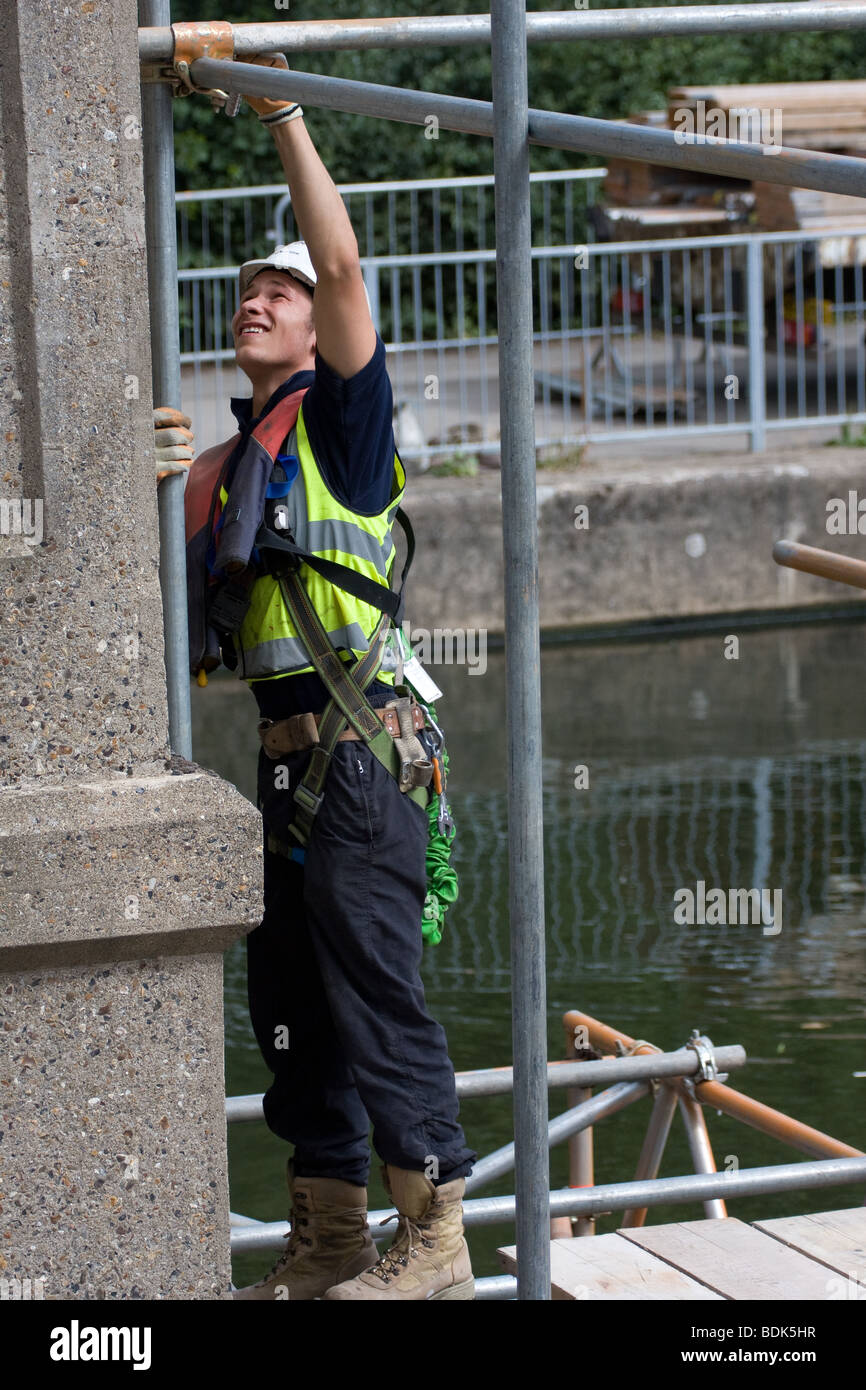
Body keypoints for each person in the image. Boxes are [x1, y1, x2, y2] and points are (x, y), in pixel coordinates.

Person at [156, 53, 476, 1302]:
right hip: (287, 773)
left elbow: (342, 269)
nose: (261, 300)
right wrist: (145, 479)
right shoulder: (229, 461)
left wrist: (281, 114)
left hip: (360, 761)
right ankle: (333, 1237)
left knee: (373, 993)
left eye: (278, 291)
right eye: (246, 288)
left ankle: (436, 1240)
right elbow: (178, 627)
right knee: (291, 1004)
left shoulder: (340, 420)